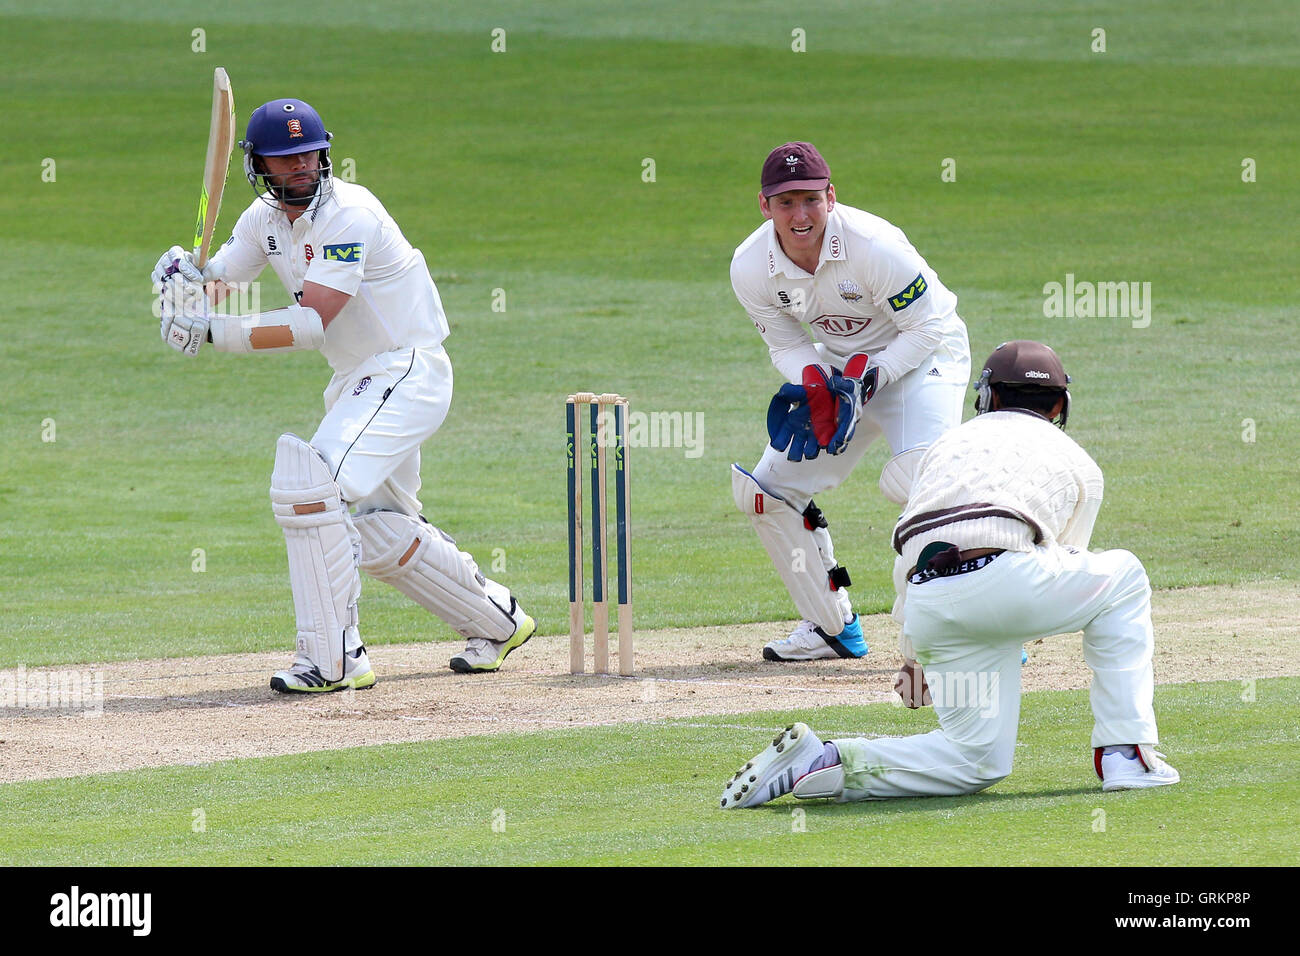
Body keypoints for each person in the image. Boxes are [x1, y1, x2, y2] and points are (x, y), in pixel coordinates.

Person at [150, 98, 535, 692]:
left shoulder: (352, 214)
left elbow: (313, 322)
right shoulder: (263, 221)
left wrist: (210, 332)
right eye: (285, 158)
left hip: (405, 370)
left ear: (325, 154)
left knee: (312, 485)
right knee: (382, 530)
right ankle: (497, 619)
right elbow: (220, 283)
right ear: (262, 166)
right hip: (358, 383)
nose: (300, 166)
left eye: (309, 153)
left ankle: (332, 659)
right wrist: (183, 288)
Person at [719, 341, 1180, 807]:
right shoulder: (1080, 462)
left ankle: (822, 762)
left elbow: (910, 552)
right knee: (1125, 577)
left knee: (976, 757)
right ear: (1060, 404)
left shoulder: (945, 447)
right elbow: (1065, 561)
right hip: (1011, 585)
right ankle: (1126, 754)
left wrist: (915, 656)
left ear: (989, 398)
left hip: (930, 602)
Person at [729, 141, 971, 662]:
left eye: (811, 199)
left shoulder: (874, 245)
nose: (800, 215)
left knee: (922, 482)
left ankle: (973, 627)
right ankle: (830, 626)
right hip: (844, 368)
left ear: (831, 197)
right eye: (786, 201)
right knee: (764, 492)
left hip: (923, 359)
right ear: (764, 205)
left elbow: (927, 325)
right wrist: (815, 380)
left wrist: (872, 377)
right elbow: (784, 343)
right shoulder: (750, 266)